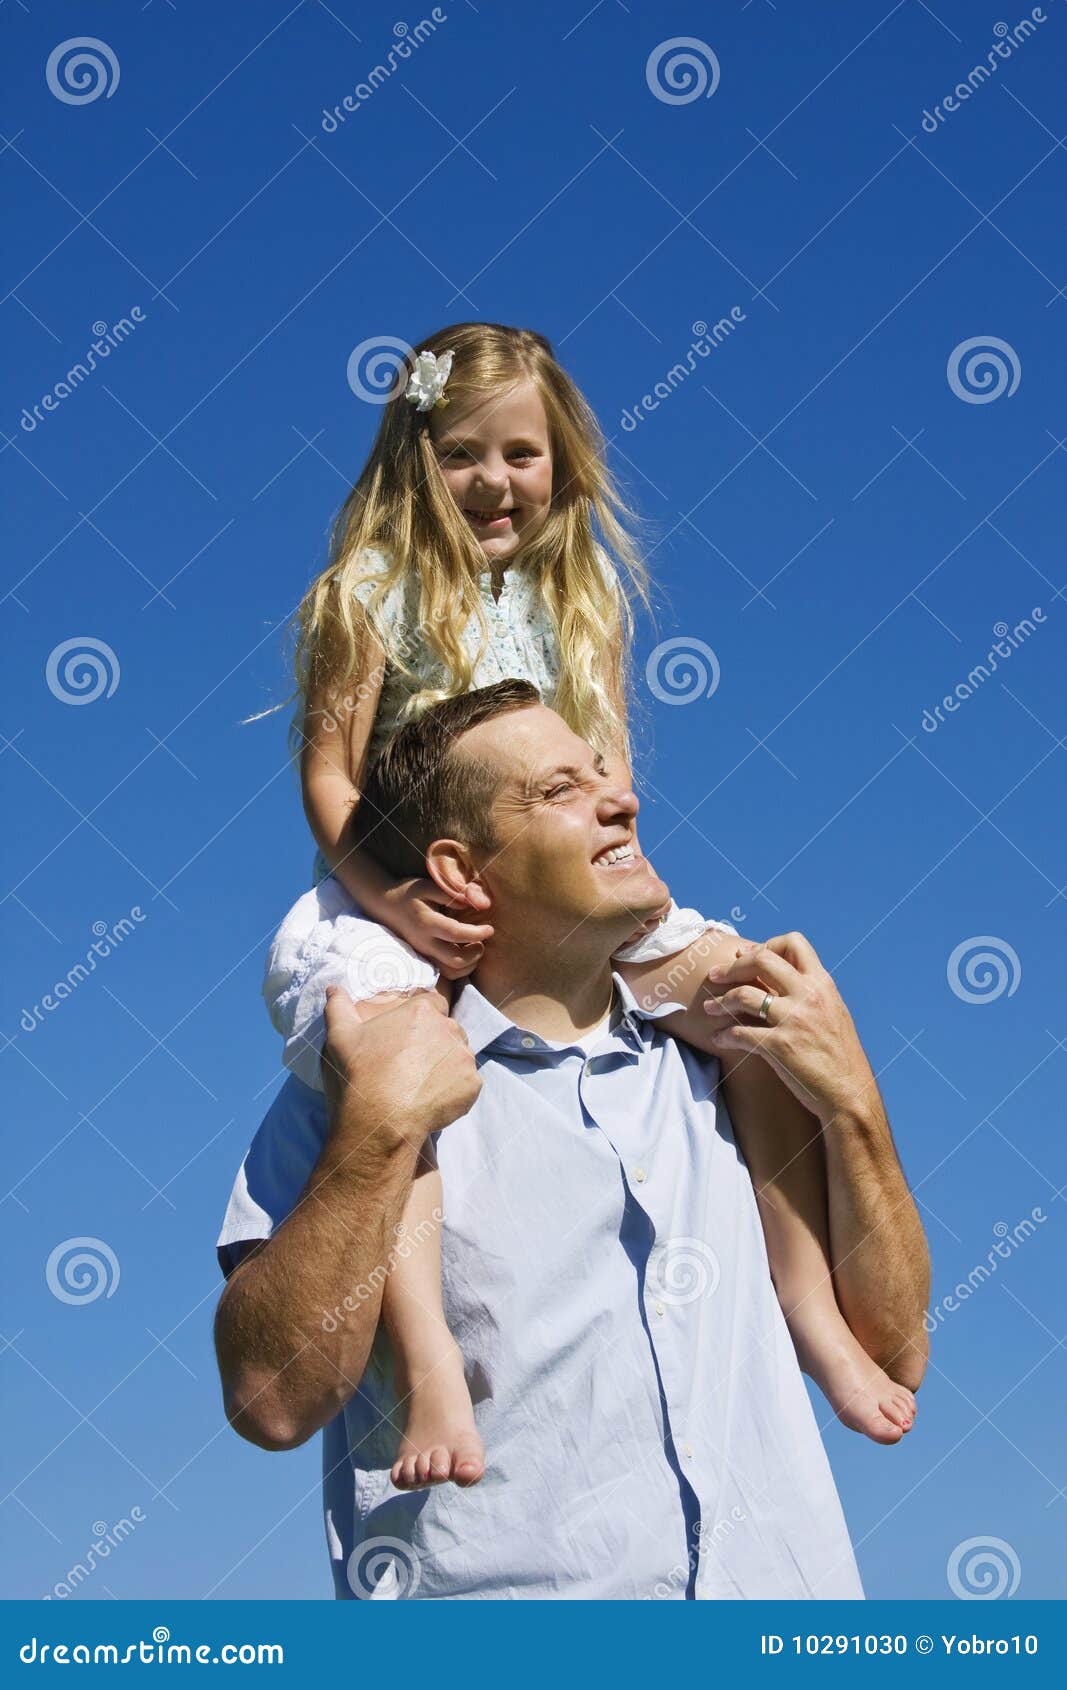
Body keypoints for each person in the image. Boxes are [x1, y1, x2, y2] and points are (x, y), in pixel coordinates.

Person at [258, 322, 919, 1493]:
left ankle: (806, 1302)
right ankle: (430, 1366)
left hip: (550, 876)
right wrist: (392, 898)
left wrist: (619, 910)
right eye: (461, 454)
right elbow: (330, 778)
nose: (493, 481)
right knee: (396, 1072)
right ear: (416, 458)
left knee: (745, 997)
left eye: (520, 452)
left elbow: (605, 771)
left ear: (561, 457)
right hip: (396, 878)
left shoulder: (581, 594)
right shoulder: (371, 589)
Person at [214, 681, 930, 1601]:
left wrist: (855, 1103)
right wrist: (378, 1135)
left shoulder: (726, 1068)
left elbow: (894, 1357)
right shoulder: (352, 1094)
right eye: (556, 792)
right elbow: (273, 1403)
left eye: (603, 776)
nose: (620, 799)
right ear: (460, 873)